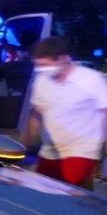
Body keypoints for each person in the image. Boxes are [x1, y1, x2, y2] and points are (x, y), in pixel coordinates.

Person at [26, 35, 107, 189]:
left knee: (62, 193)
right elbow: (37, 112)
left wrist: (104, 153)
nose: (41, 70)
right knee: (42, 195)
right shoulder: (42, 80)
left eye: (45, 65)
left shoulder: (91, 80)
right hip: (49, 151)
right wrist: (26, 143)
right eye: (38, 66)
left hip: (81, 151)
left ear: (63, 59)